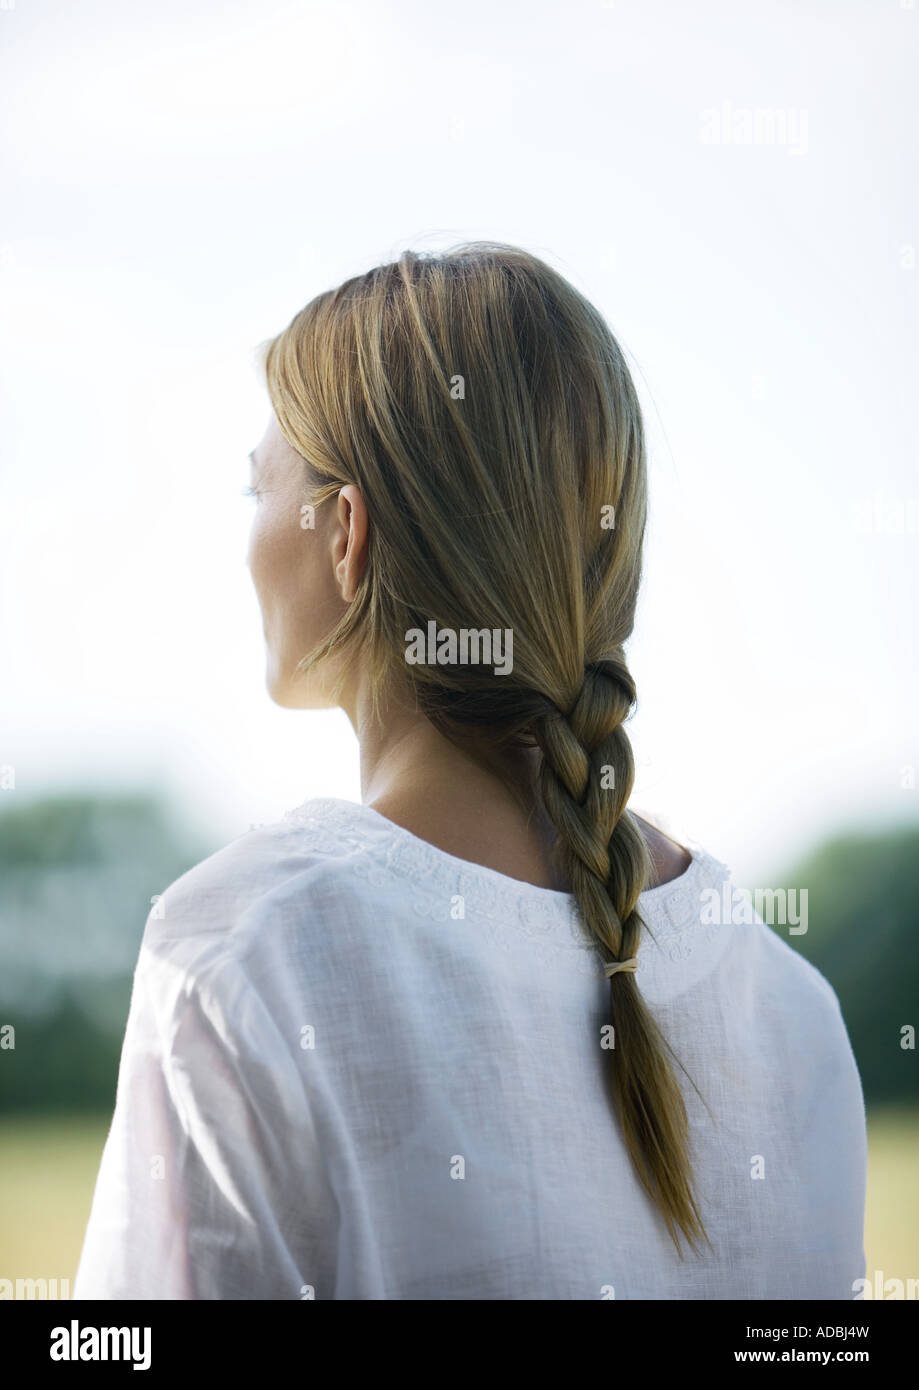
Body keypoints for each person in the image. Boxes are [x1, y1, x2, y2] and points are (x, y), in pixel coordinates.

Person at [73, 243, 866, 1299]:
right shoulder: (792, 1008)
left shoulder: (242, 953)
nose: (244, 534)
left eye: (255, 485)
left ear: (344, 534)